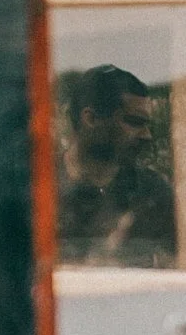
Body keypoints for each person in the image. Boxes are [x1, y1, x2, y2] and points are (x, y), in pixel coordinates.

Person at [57, 63, 179, 268]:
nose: (147, 135)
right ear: (91, 119)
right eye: (134, 121)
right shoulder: (38, 189)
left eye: (147, 125)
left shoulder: (154, 193)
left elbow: (176, 270)